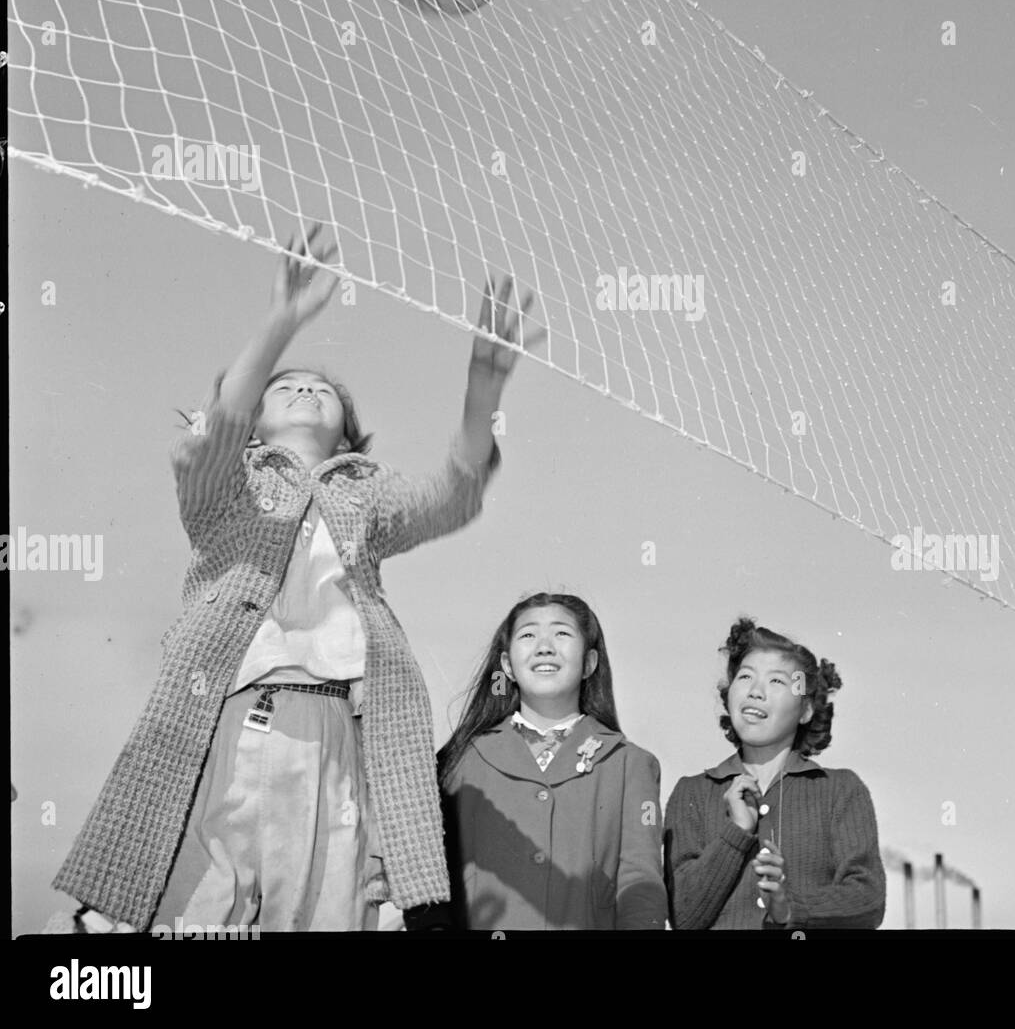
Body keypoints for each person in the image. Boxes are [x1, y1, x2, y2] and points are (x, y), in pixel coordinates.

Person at [51, 226, 543, 932]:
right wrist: (283, 321)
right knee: (191, 912)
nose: (307, 386)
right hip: (221, 727)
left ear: (349, 438)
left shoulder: (366, 495)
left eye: (323, 389)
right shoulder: (228, 484)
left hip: (335, 729)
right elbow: (215, 431)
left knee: (325, 912)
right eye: (286, 387)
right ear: (254, 424)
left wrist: (484, 384)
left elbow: (454, 494)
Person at [432, 592, 667, 930]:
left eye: (561, 633)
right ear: (507, 666)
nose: (544, 646)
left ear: (589, 663)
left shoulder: (630, 764)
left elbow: (640, 885)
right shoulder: (461, 762)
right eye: (528, 635)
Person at [664, 617, 886, 930]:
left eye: (777, 682)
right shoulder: (692, 792)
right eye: (745, 677)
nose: (756, 691)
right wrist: (737, 834)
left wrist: (790, 907)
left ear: (806, 710)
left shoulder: (841, 789)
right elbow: (684, 916)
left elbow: (868, 899)